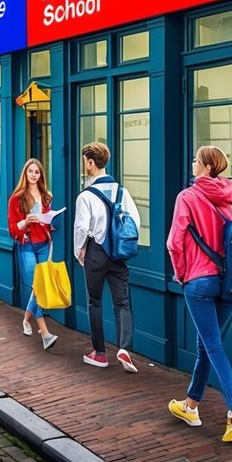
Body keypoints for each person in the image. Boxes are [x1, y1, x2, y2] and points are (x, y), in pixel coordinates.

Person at [165, 145, 232, 442]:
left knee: (212, 345)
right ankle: (191, 405)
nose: (192, 163)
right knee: (207, 344)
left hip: (200, 281)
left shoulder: (187, 197)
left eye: (195, 160)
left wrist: (180, 273)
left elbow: (174, 243)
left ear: (206, 167)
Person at [73, 141, 141, 372]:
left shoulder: (85, 195)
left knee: (95, 301)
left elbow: (81, 228)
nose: (84, 165)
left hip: (96, 251)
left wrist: (79, 252)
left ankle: (99, 353)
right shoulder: (123, 191)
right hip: (118, 254)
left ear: (91, 163)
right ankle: (124, 348)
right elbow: (135, 222)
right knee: (122, 301)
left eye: (85, 162)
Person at [7, 158, 58, 350]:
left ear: (41, 175)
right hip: (27, 245)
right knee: (36, 286)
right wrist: (26, 222)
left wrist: (49, 220)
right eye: (31, 171)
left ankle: (26, 319)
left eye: (37, 172)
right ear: (25, 174)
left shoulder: (46, 196)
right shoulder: (17, 198)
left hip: (44, 245)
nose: (34, 175)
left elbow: (47, 222)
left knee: (40, 286)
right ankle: (45, 334)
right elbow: (12, 229)